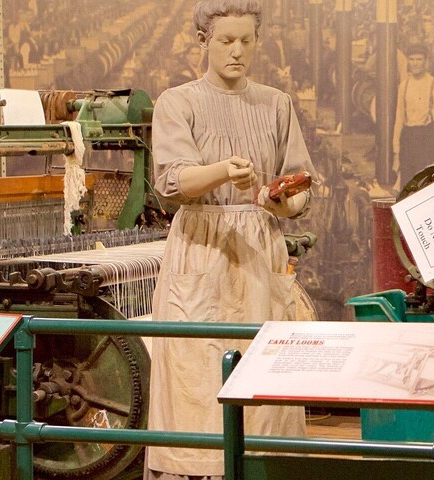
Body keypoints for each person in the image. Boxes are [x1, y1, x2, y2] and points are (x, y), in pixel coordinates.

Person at [145, 1, 314, 478]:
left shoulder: (276, 103)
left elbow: (298, 183)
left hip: (260, 246)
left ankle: (265, 466)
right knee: (197, 375)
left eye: (246, 40)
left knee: (265, 370)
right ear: (204, 42)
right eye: (226, 41)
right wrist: (223, 171)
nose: (237, 51)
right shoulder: (178, 102)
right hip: (203, 245)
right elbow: (172, 182)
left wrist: (282, 202)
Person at [391, 44, 434, 186]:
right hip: (408, 139)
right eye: (411, 59)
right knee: (407, 186)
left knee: (426, 187)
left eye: (419, 59)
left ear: (426, 62)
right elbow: (399, 119)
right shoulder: (403, 86)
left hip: (427, 140)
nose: (415, 63)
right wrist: (396, 153)